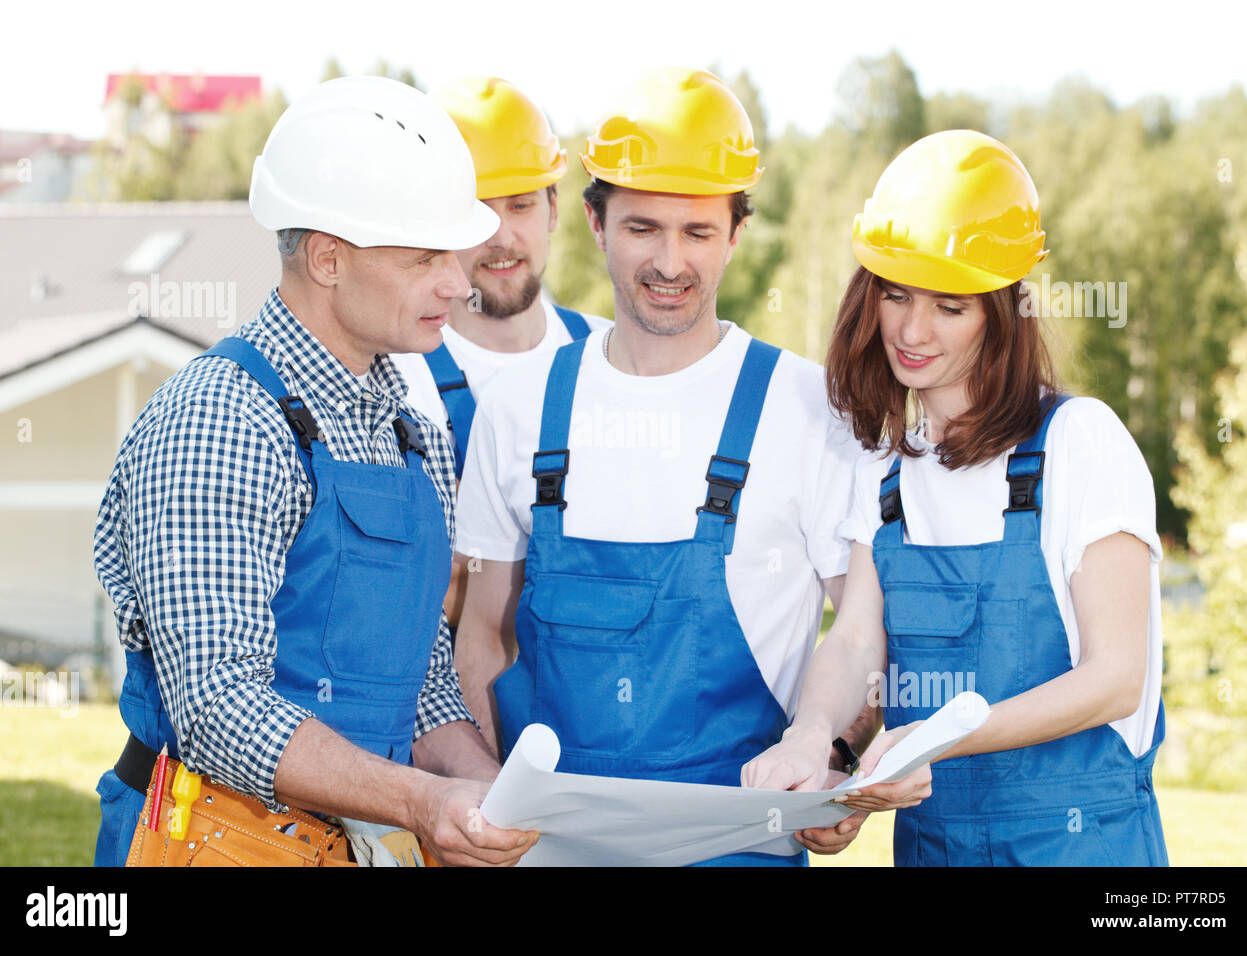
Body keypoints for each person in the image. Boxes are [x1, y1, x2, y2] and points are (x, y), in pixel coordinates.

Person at [91, 76, 539, 867]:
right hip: (209, 842)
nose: (457, 283)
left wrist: (489, 794)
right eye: (424, 257)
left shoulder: (412, 431)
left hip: (359, 844)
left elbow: (422, 681)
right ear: (328, 259)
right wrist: (421, 800)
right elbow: (218, 707)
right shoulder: (221, 420)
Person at [452, 67, 892, 866]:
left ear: (737, 232)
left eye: (697, 232)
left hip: (741, 843)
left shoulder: (807, 409)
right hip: (547, 849)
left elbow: (862, 635)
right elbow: (482, 635)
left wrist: (832, 758)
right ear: (593, 221)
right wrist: (479, 797)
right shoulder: (517, 409)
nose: (669, 262)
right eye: (643, 228)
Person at [743, 129, 1170, 867]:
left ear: (1003, 313)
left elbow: (1114, 679)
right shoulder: (882, 470)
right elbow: (855, 642)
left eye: (950, 305)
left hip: (1081, 845)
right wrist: (819, 747)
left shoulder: (1080, 443)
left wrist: (933, 737)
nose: (912, 330)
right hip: (934, 848)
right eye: (895, 294)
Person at [392, 76, 610, 631]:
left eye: (520, 206)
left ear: (554, 209)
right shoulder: (395, 381)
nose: (503, 236)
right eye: (477, 212)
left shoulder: (615, 359)